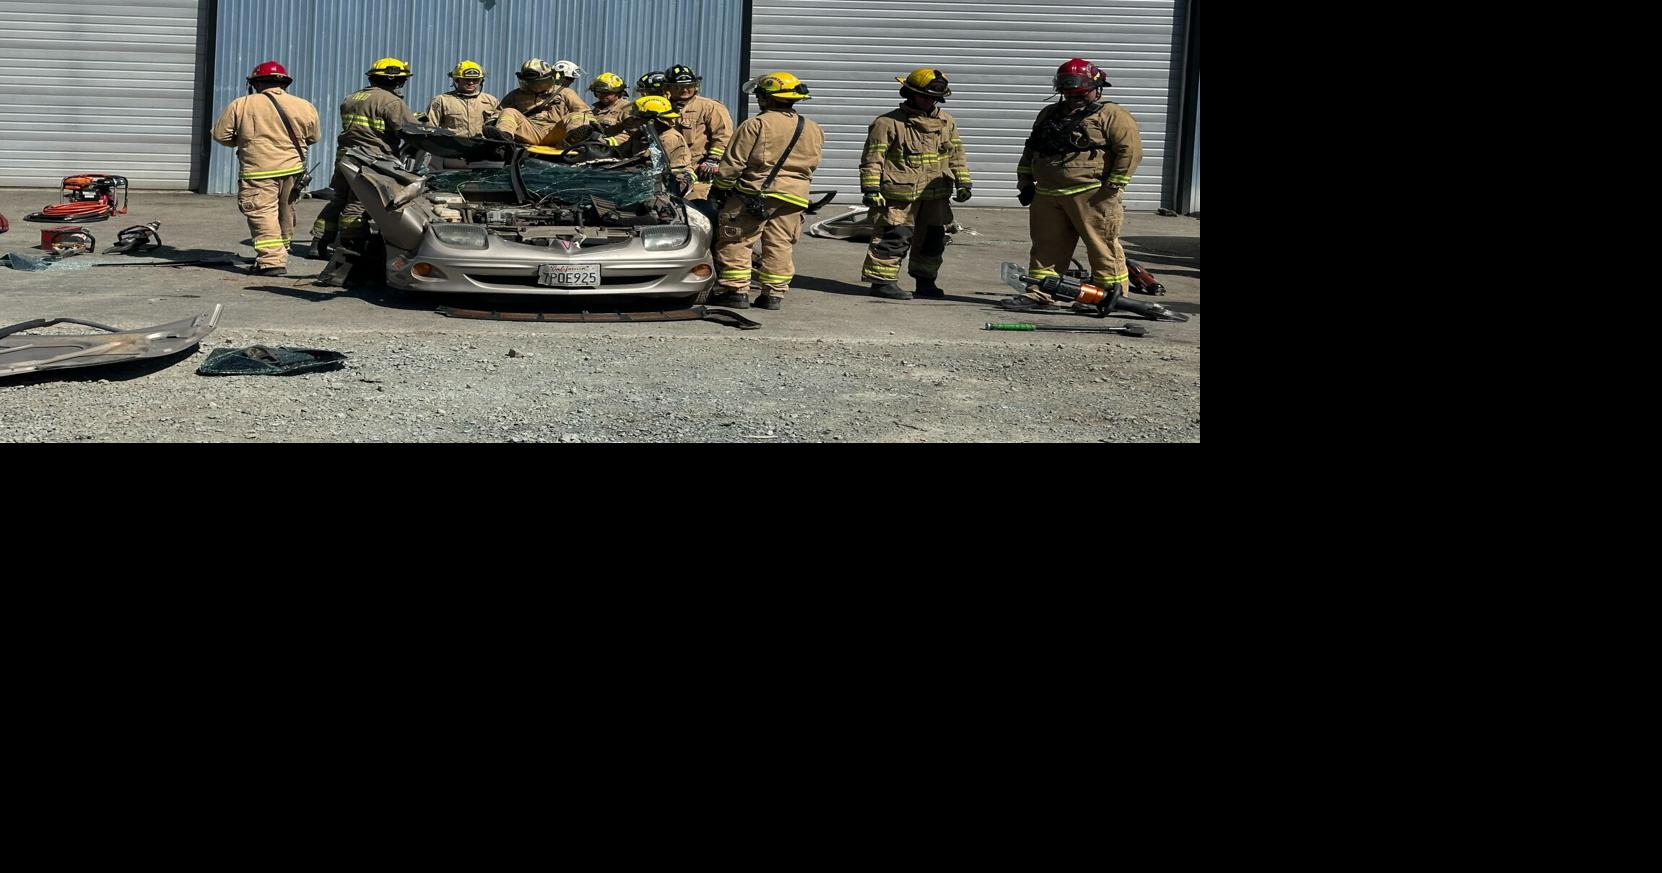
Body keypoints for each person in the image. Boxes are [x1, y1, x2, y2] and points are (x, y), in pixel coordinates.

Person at [1001, 58, 1143, 312]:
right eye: (1067, 90)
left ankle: (1106, 298)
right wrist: (1024, 181)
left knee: (1102, 248)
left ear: (1097, 87)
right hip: (1047, 194)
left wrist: (1113, 186)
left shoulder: (1113, 115)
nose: (1073, 96)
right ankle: (1040, 294)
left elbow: (1129, 151)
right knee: (1046, 249)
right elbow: (1032, 149)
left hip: (1092, 195)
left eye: (1079, 91)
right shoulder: (1049, 114)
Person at [709, 72, 824, 312]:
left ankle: (735, 291)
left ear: (766, 98)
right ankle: (773, 296)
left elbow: (733, 163)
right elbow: (812, 164)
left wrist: (718, 190)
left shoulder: (756, 124)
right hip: (795, 196)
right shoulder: (813, 128)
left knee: (737, 239)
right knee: (780, 244)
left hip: (755, 194)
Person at [858, 67, 972, 300]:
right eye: (924, 96)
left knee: (933, 241)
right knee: (894, 237)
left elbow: (956, 155)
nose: (929, 101)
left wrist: (964, 183)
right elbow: (872, 158)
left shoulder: (946, 121)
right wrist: (870, 188)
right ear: (908, 93)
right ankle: (882, 283)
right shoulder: (887, 123)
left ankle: (925, 282)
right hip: (900, 195)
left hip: (936, 195)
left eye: (933, 97)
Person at [211, 61, 321, 276]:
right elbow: (314, 137)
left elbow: (221, 135)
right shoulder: (304, 105)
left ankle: (272, 262)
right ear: (285, 83)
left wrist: (245, 142)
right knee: (285, 211)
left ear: (255, 83)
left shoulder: (241, 104)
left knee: (262, 213)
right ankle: (282, 249)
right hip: (293, 170)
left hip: (258, 171)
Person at [311, 57, 417, 259]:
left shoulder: (352, 97)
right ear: (397, 80)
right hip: (372, 159)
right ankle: (353, 245)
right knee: (360, 202)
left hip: (346, 156)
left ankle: (318, 243)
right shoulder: (392, 101)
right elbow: (408, 130)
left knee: (339, 199)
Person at [661, 64, 733, 206]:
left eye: (690, 85)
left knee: (696, 210)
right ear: (668, 88)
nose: (686, 90)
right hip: (668, 172)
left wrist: (714, 159)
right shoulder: (663, 107)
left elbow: (724, 136)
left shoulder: (710, 107)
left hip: (699, 174)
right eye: (679, 87)